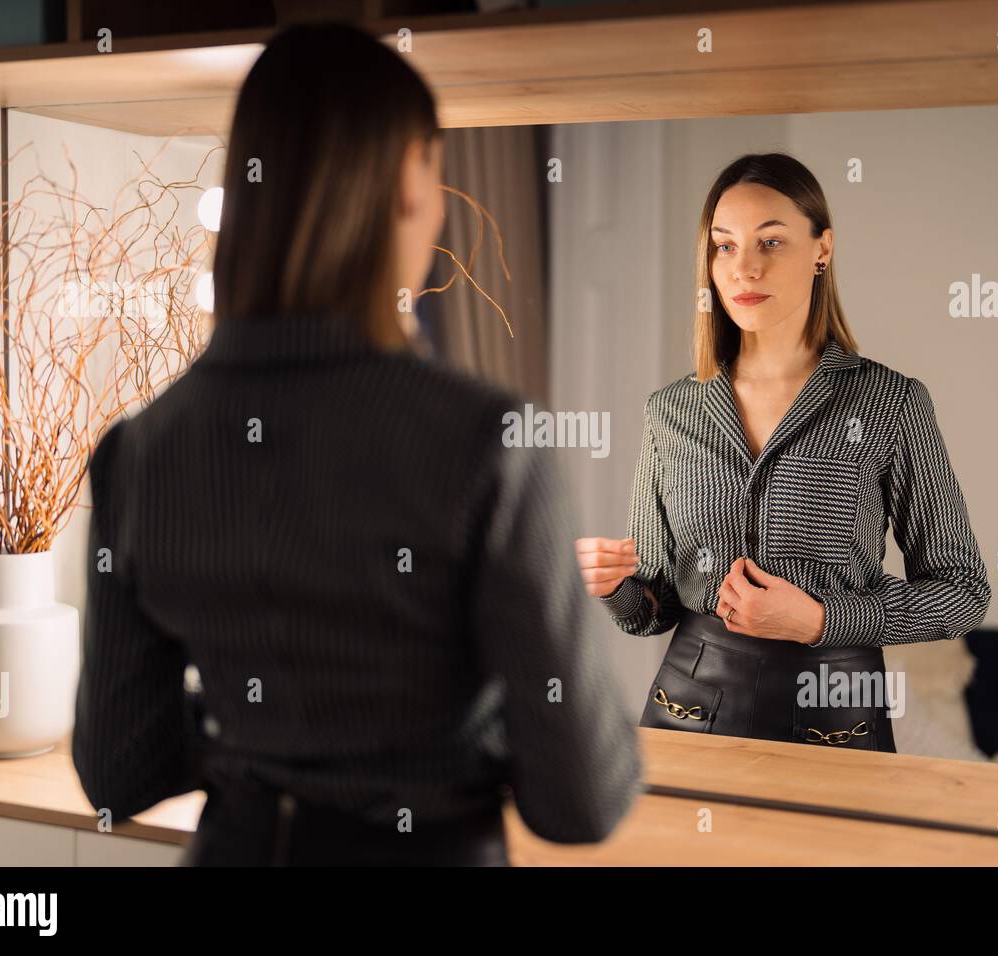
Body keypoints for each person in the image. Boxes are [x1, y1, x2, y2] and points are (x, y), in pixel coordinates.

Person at [72, 21, 641, 866]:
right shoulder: (488, 441)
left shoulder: (138, 451)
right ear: (411, 179)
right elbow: (581, 800)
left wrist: (260, 743)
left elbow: (118, 768)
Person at [576, 153, 992, 753]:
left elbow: (962, 591)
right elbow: (655, 608)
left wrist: (822, 621)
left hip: (834, 717)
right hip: (685, 714)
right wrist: (614, 585)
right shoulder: (669, 413)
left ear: (822, 249)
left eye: (770, 242)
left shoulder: (891, 403)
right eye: (725, 246)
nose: (744, 267)